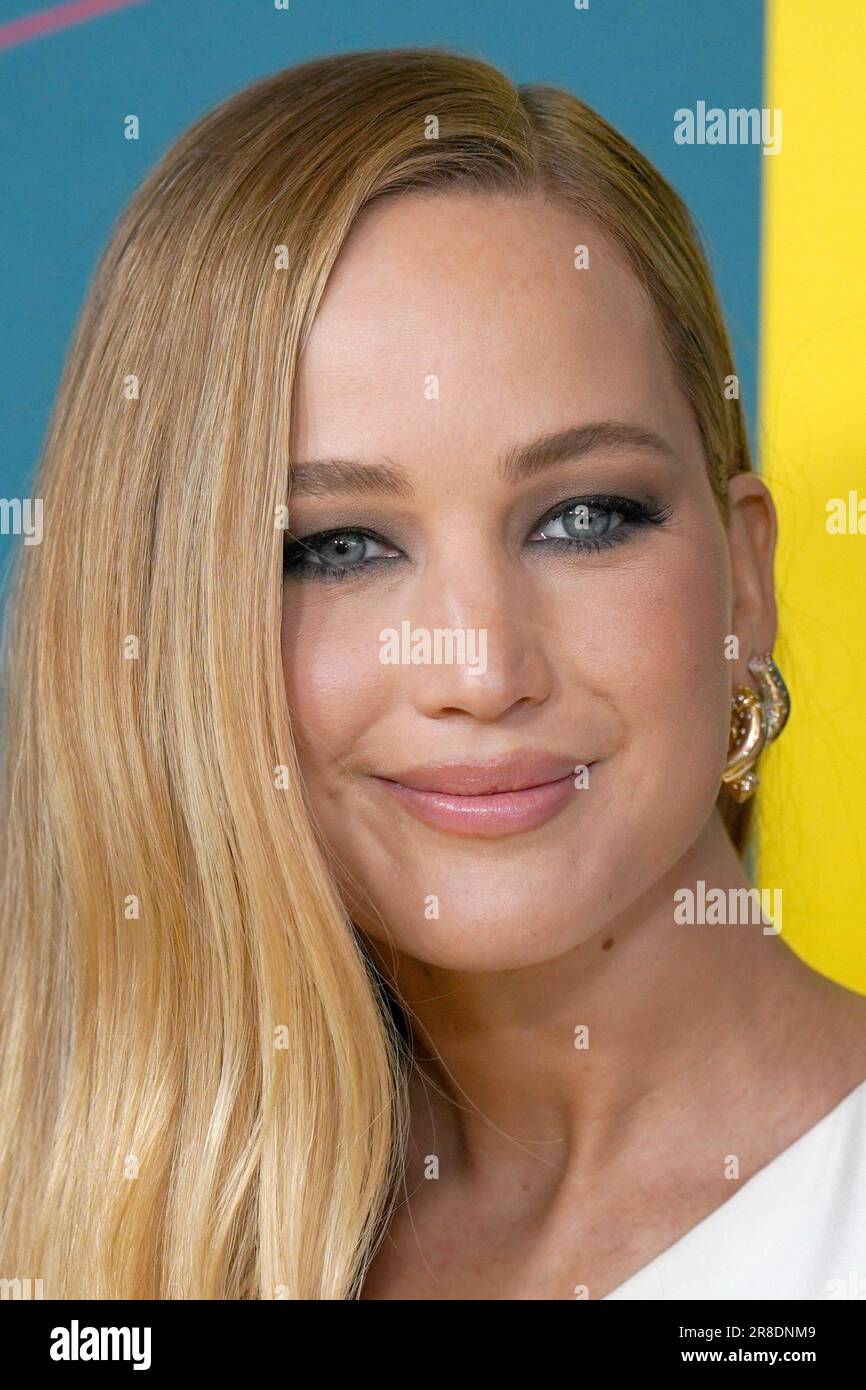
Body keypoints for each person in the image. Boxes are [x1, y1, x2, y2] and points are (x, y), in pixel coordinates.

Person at [1, 47, 864, 1302]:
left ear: (743, 581)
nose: (477, 665)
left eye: (582, 517)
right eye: (336, 546)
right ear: (163, 625)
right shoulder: (67, 1229)